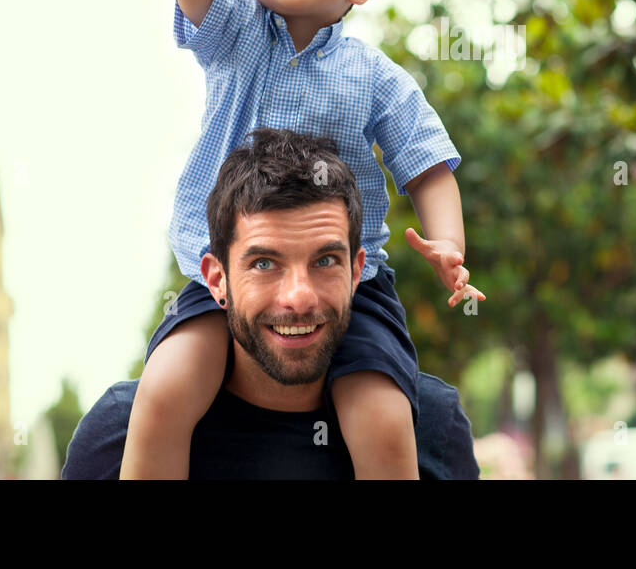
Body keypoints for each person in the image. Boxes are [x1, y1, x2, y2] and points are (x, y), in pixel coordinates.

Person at [123, 0, 485, 479]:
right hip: (228, 270)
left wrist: (448, 246)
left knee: (382, 415)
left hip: (348, 282)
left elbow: (428, 167)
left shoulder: (376, 76)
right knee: (165, 393)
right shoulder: (234, 33)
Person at [63, 128, 479, 479]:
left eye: (325, 260)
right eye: (264, 263)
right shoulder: (119, 432)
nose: (299, 297)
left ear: (357, 273)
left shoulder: (432, 428)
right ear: (216, 278)